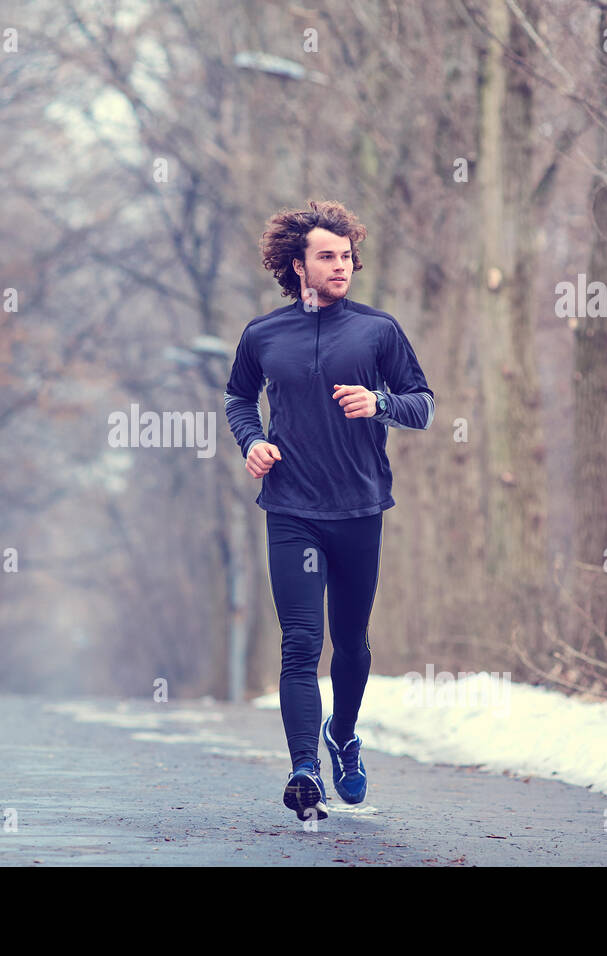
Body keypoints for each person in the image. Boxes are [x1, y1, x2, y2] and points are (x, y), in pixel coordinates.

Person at [223, 199, 435, 821]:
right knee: (300, 643)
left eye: (346, 257)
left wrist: (380, 402)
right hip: (291, 508)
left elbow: (421, 403)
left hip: (360, 507)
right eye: (327, 256)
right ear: (298, 265)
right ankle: (303, 770)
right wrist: (253, 441)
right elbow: (238, 399)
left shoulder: (378, 330)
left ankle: (342, 735)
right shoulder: (263, 335)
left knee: (352, 645)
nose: (340, 267)